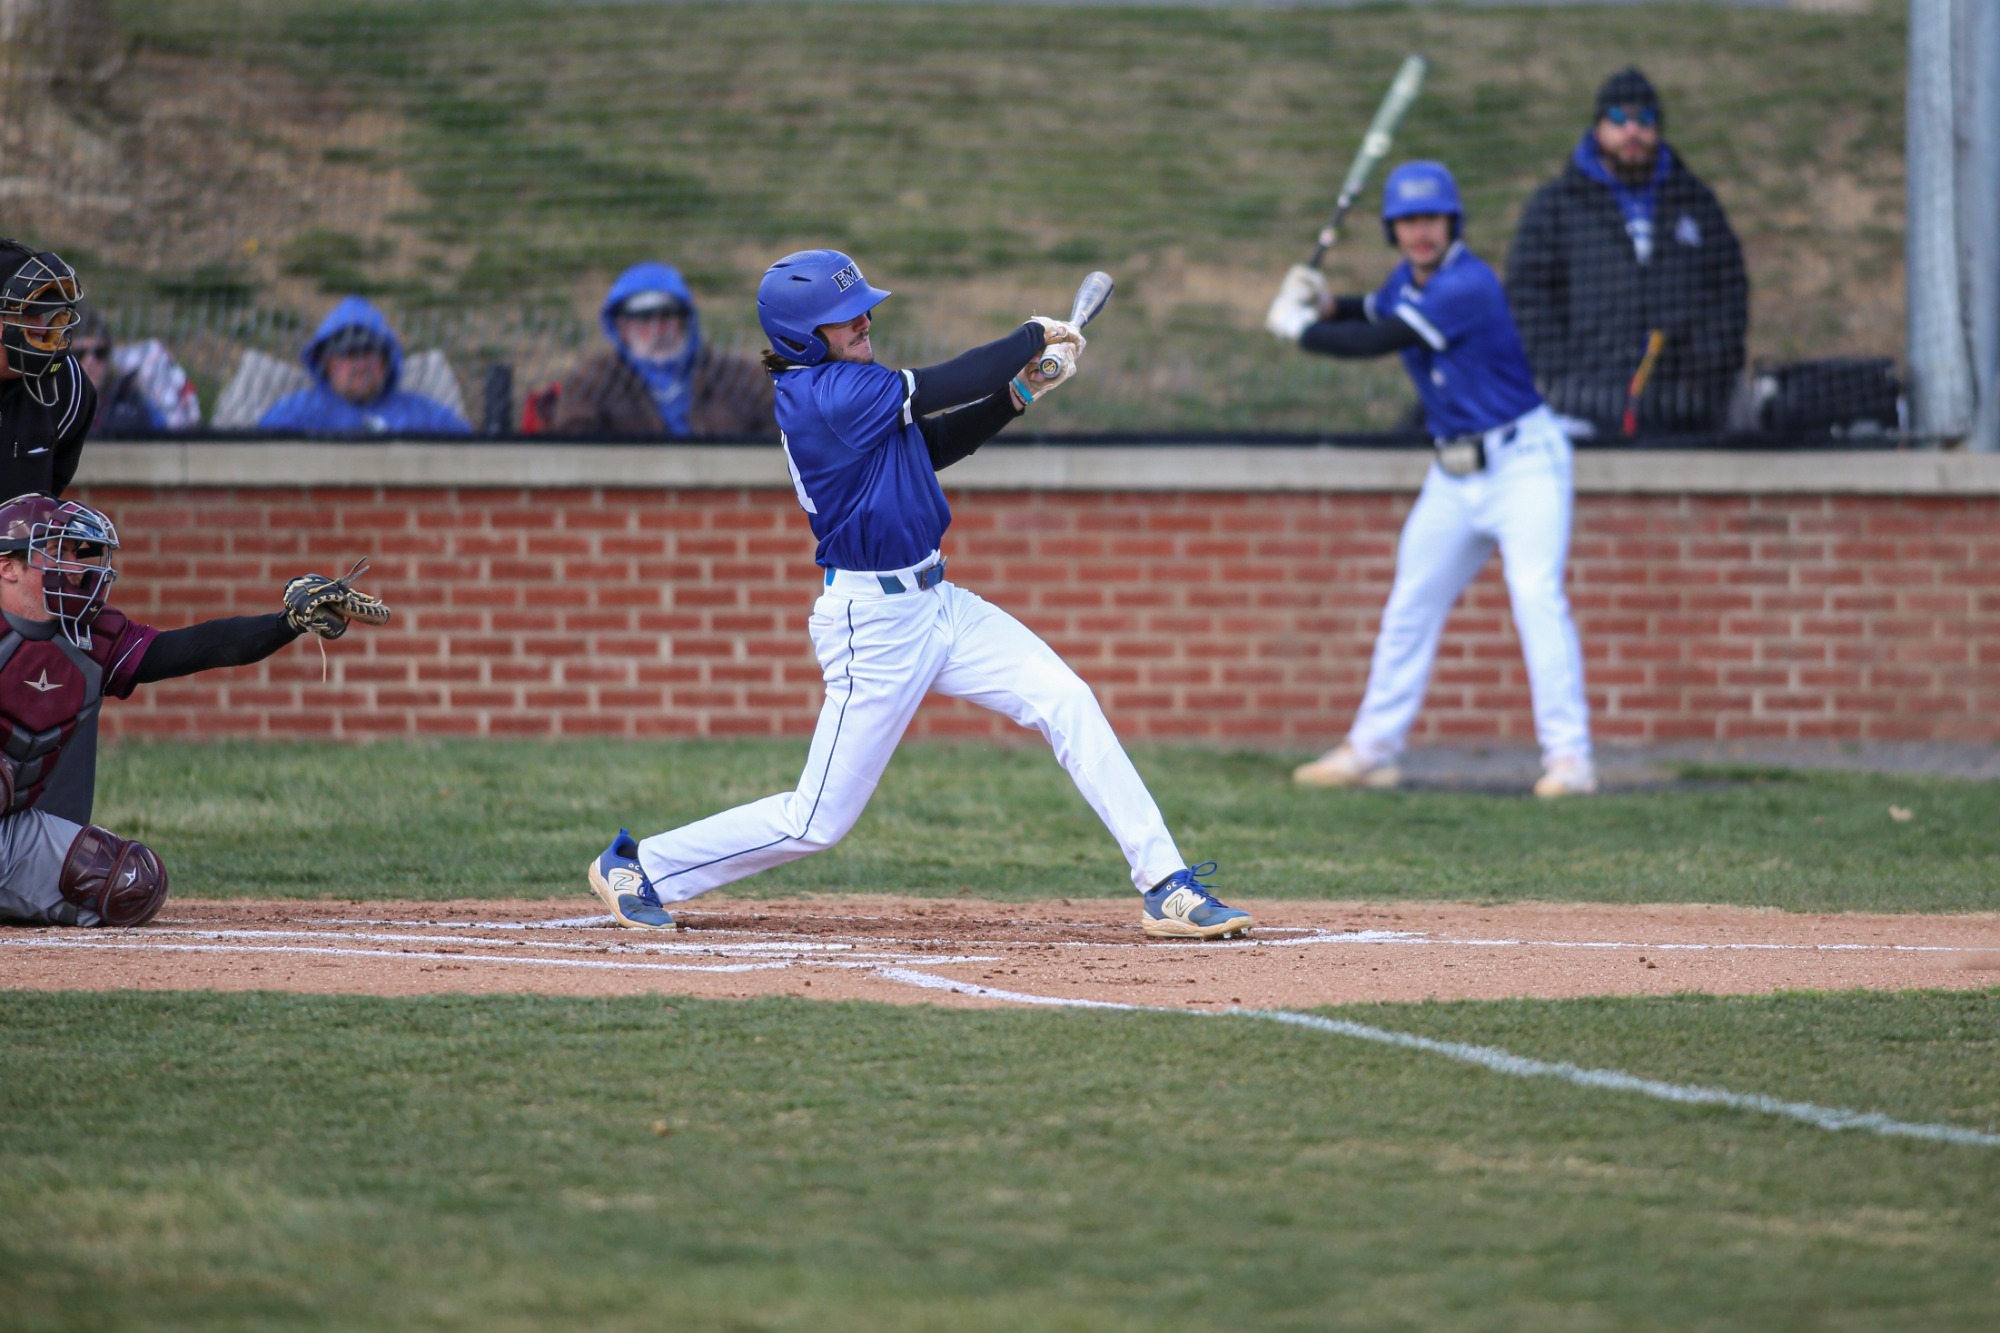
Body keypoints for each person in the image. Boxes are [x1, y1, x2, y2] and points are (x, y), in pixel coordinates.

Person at [586, 249, 1252, 940]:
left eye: (860, 311)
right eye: (843, 319)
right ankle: (643, 866)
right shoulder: (824, 395)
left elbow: (931, 441)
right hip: (873, 622)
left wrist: (1015, 395)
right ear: (800, 336)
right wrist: (1030, 337)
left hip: (941, 601)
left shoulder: (855, 384)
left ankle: (1166, 884)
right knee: (816, 821)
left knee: (1065, 697)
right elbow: (942, 384)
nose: (863, 322)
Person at [1266, 162, 1595, 797]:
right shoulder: (1412, 280)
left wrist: (1299, 327)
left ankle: (1570, 760)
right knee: (1410, 604)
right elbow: (1375, 309)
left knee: (1536, 599)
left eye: (1432, 219)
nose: (1421, 232)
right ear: (1395, 230)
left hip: (1524, 461)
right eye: (1410, 221)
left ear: (1452, 223)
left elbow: (1378, 339)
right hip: (1454, 471)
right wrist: (1326, 301)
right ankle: (1371, 750)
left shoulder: (1466, 284)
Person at [0, 493, 390, 927]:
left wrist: (286, 624)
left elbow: (190, 649)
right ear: (7, 566)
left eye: (75, 552)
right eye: (58, 552)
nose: (75, 567)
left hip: (16, 831)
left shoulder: (92, 637)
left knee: (132, 882)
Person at [1505, 67, 1748, 437]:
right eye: (1619, 119)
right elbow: (1527, 296)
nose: (1632, 131)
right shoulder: (1556, 205)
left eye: (1645, 119)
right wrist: (1561, 377)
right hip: (1582, 409)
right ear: (1599, 128)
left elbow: (1729, 289)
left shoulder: (1696, 202)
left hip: (1682, 410)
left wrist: (1706, 370)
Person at [548, 262, 774, 438]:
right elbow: (576, 443)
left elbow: (783, 435)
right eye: (644, 319)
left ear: (687, 322)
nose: (658, 330)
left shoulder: (741, 378)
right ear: (622, 329)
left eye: (667, 316)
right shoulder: (592, 381)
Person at [258, 296, 471, 436]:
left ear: (387, 361)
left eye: (370, 352)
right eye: (348, 354)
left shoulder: (425, 417)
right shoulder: (296, 414)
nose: (360, 365)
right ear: (327, 364)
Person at [0, 240, 92, 500]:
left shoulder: (66, 383)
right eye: (26, 314)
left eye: (43, 314)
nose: (41, 329)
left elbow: (47, 491)